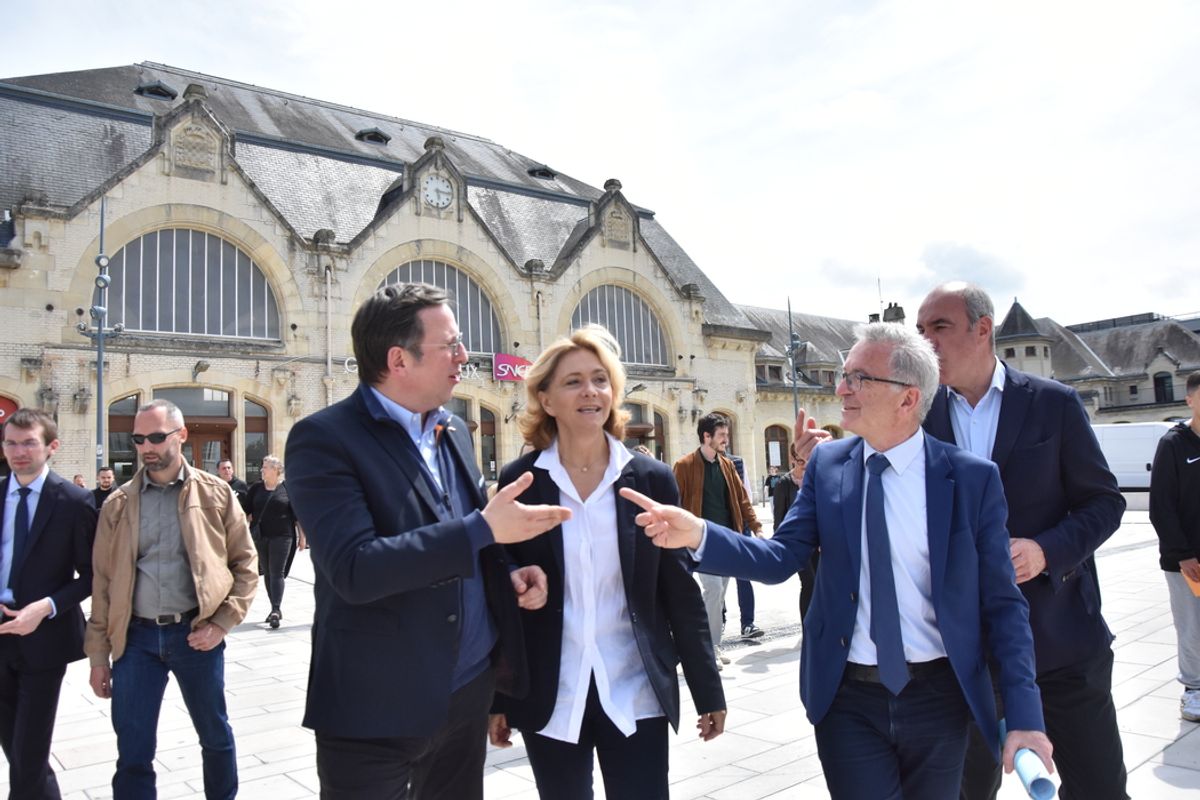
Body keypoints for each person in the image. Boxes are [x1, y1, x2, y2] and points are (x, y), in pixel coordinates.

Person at [625, 323, 1052, 799]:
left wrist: (1027, 718)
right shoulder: (829, 468)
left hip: (940, 700)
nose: (840, 388)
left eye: (858, 378)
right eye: (844, 374)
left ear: (908, 398)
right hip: (847, 700)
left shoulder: (972, 480)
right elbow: (780, 558)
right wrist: (700, 533)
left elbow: (1003, 605)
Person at [284, 282, 570, 799]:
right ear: (399, 359)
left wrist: (506, 571)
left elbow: (466, 533)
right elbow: (354, 568)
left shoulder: (455, 430)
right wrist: (484, 529)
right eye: (451, 345)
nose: (465, 357)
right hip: (377, 708)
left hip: (466, 693)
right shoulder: (324, 439)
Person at [488, 326, 726, 800]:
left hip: (635, 690)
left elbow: (678, 590)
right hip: (551, 695)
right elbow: (500, 598)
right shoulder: (522, 481)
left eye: (600, 379)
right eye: (573, 381)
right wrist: (499, 698)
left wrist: (708, 689)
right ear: (547, 399)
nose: (590, 390)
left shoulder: (651, 480)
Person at [918, 282, 1127, 799]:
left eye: (938, 327)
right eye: (920, 331)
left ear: (982, 329)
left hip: (1060, 642)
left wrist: (1046, 550)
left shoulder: (1054, 405)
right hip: (960, 655)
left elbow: (1105, 503)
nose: (926, 342)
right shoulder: (918, 419)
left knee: (1098, 789)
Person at [85, 399, 258, 799]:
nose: (147, 447)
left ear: (180, 436)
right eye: (139, 438)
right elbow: (103, 583)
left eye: (157, 437)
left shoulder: (215, 493)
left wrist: (222, 624)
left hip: (196, 636)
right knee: (133, 749)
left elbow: (246, 565)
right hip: (135, 642)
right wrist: (98, 655)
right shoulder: (118, 504)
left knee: (215, 736)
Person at [0, 408, 96, 799]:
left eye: (29, 442)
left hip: (44, 640)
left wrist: (46, 607)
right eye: (11, 442)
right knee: (20, 754)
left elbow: (92, 576)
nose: (18, 451)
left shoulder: (74, 501)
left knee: (29, 751)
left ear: (51, 446)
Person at [672, 414, 763, 668]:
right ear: (707, 437)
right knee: (712, 590)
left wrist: (756, 527)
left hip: (726, 541)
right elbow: (673, 502)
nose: (726, 440)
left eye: (726, 434)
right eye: (722, 435)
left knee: (720, 594)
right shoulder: (684, 465)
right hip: (698, 541)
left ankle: (708, 642)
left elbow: (743, 501)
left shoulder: (727, 465)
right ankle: (707, 647)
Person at [1150, 370, 1200, 722]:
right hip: (1188, 560)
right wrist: (1183, 554)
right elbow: (1161, 506)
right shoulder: (1173, 444)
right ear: (1189, 400)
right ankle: (1194, 690)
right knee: (1192, 627)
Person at [245, 455, 305, 629]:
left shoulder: (287, 488)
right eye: (262, 466)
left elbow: (297, 515)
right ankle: (275, 608)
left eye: (266, 467)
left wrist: (303, 537)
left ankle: (275, 609)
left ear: (276, 470)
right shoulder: (256, 488)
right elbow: (246, 512)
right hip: (261, 536)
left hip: (283, 536)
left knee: (277, 571)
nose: (262, 469)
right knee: (268, 573)